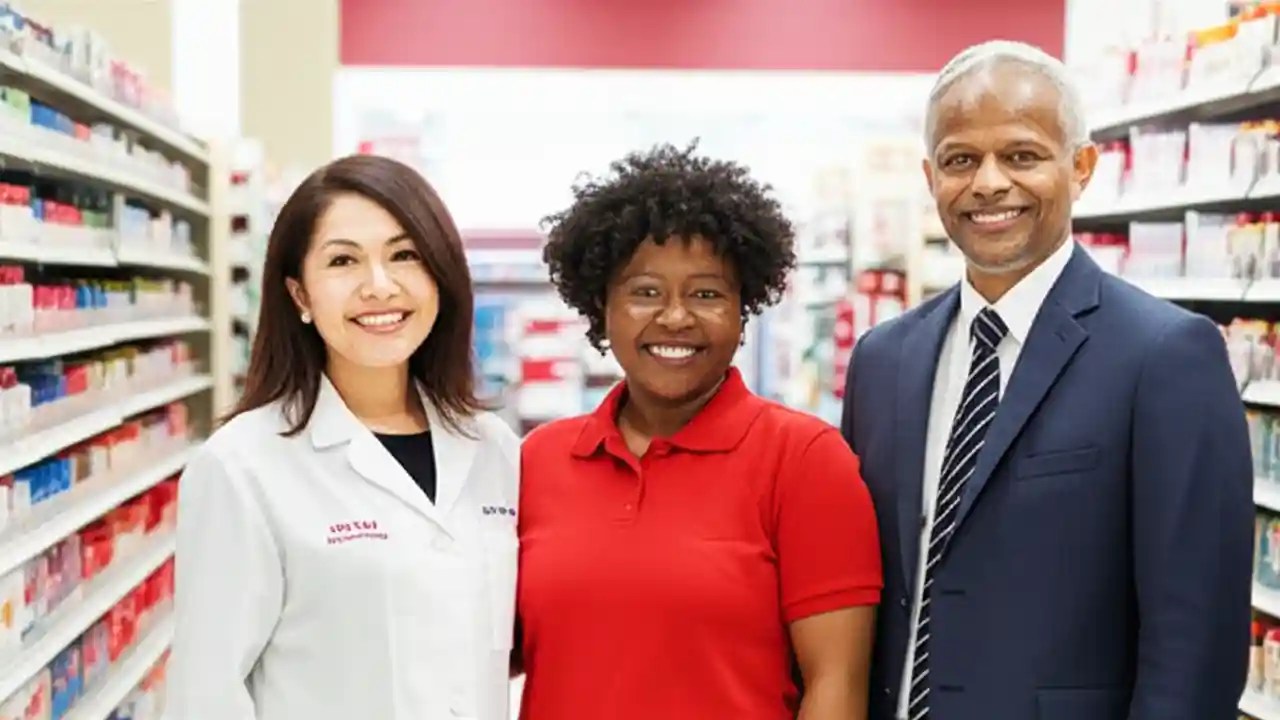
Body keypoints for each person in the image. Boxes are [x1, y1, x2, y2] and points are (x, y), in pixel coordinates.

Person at [840, 40, 1254, 720]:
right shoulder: (884, 360)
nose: (989, 183)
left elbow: (1195, 645)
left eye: (1022, 155)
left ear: (1082, 166)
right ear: (930, 175)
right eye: (960, 160)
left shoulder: (1166, 356)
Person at [515, 142, 882, 720]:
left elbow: (835, 687)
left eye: (707, 293)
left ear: (744, 309)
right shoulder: (538, 461)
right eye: (645, 293)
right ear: (601, 308)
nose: (676, 317)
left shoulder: (805, 460)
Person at [166, 155, 521, 720]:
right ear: (300, 295)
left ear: (440, 277)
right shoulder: (243, 465)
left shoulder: (493, 448)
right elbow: (205, 696)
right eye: (343, 261)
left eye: (404, 255)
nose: (379, 286)